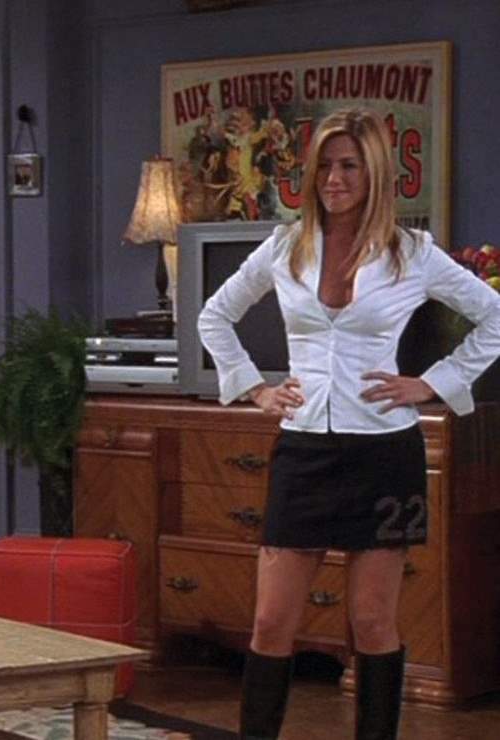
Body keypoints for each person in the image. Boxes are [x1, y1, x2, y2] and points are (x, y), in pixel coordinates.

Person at [197, 107, 500, 740]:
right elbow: (214, 316)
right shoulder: (286, 246)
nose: (334, 179)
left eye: (349, 166)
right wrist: (256, 388)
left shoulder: (413, 254)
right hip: (304, 452)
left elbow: (493, 317)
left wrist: (432, 384)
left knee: (372, 623)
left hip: (384, 456)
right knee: (271, 623)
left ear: (376, 173)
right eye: (325, 167)